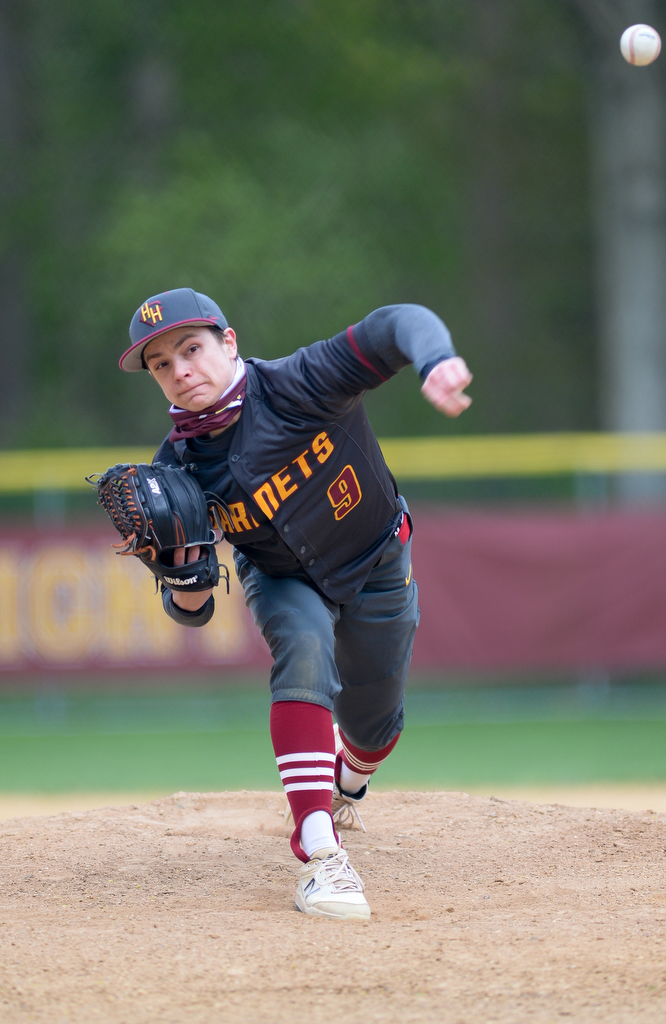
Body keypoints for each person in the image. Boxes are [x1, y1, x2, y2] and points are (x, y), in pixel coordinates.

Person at [119, 288, 472, 920]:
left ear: (229, 344)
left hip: (378, 560)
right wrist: (181, 577)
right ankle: (319, 851)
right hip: (282, 577)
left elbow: (395, 323)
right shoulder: (175, 467)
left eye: (191, 349)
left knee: (374, 729)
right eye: (161, 365)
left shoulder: (296, 384)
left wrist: (435, 356)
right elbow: (194, 611)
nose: (180, 371)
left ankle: (348, 780)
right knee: (303, 648)